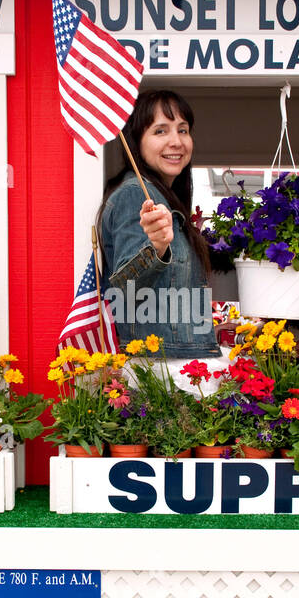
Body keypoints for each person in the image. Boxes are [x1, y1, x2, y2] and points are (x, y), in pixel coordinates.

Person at [96, 90, 221, 388]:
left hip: (176, 364)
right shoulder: (135, 194)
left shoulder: (162, 194)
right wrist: (155, 248)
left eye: (183, 130)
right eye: (160, 131)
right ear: (137, 141)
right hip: (160, 375)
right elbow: (123, 284)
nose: (176, 141)